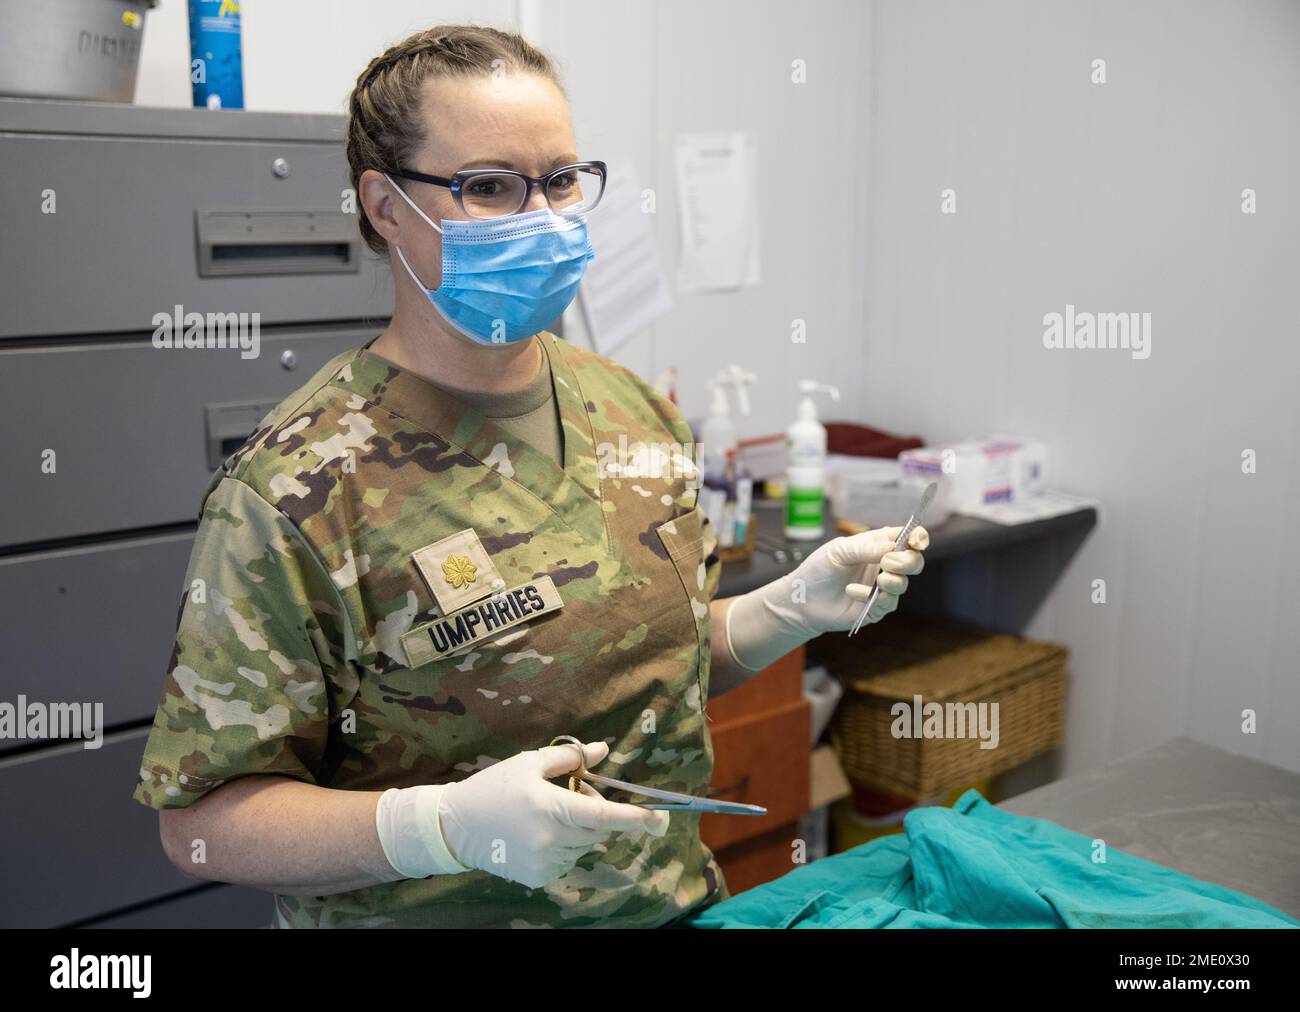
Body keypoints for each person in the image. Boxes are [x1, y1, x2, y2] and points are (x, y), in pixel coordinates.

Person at [132, 24, 928, 929]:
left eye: (558, 179)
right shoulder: (297, 489)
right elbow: (201, 824)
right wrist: (441, 827)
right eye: (489, 186)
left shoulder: (639, 416)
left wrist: (784, 613)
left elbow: (647, 665)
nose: (543, 215)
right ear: (387, 207)